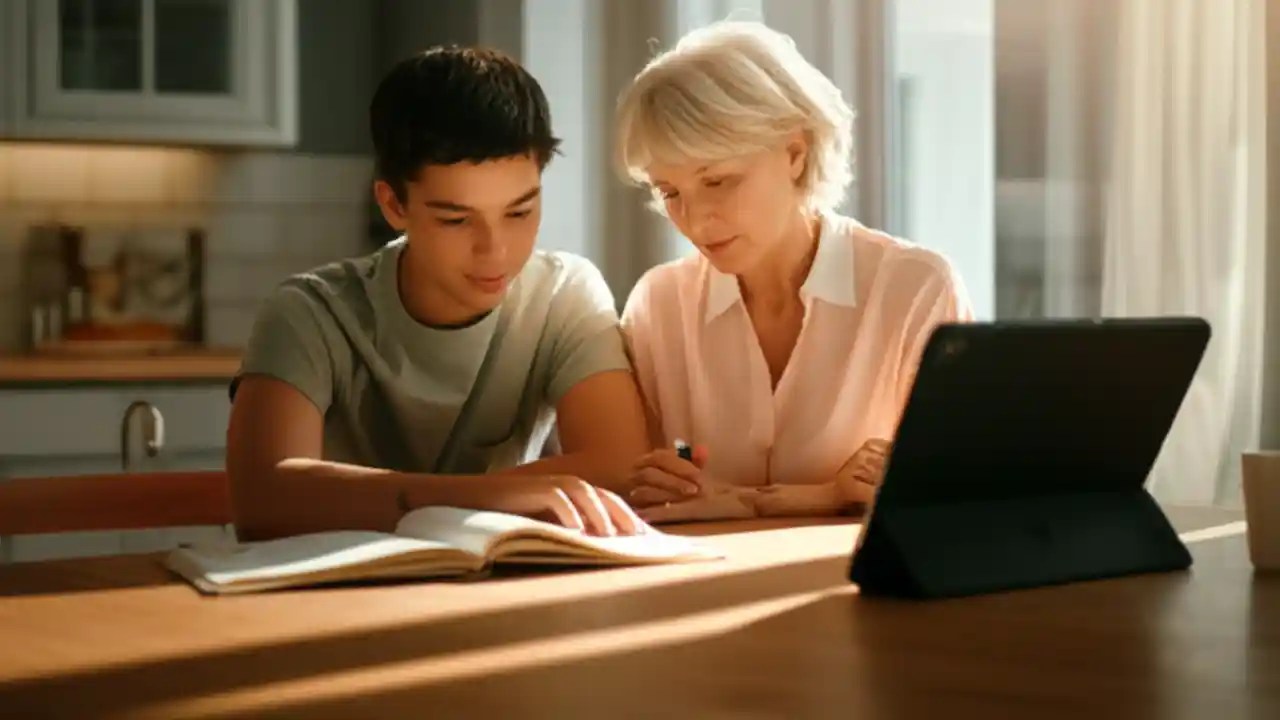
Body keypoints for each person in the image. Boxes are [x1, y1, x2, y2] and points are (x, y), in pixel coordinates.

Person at [226, 47, 651, 540]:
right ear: (393, 204)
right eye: (455, 219)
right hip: (333, 598)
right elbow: (262, 499)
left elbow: (622, 465)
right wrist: (494, 497)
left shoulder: (564, 294)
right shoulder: (307, 313)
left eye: (520, 212)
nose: (496, 252)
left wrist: (425, 500)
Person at [615, 21, 974, 523]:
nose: (695, 220)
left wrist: (742, 500)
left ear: (795, 153)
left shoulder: (915, 289)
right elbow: (650, 485)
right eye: (669, 193)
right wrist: (828, 494)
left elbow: (959, 489)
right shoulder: (658, 306)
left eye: (718, 180)